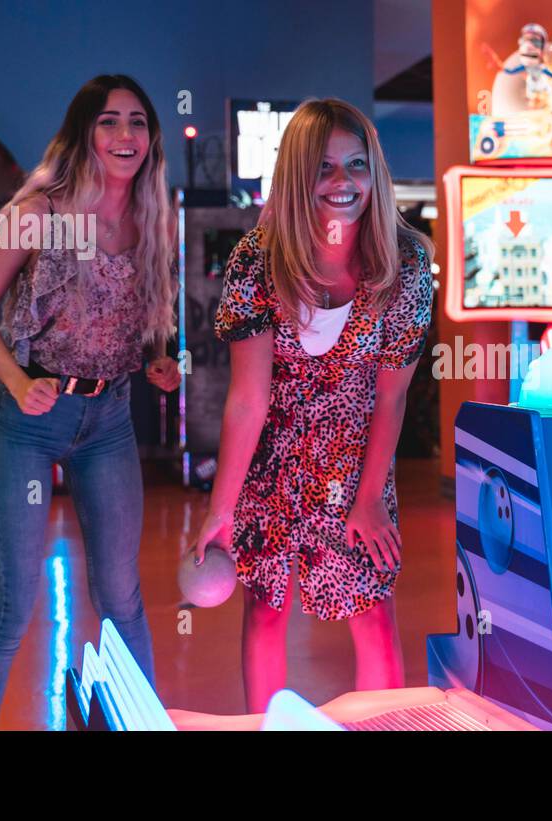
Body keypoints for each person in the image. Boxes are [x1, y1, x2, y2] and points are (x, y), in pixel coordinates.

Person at [186, 98, 433, 713]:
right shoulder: (258, 259)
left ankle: (385, 728)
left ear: (375, 172)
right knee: (265, 609)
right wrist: (221, 508)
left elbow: (392, 392)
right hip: (273, 460)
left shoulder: (405, 261)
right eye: (323, 167)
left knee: (372, 609)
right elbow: (249, 398)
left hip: (356, 461)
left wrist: (371, 495)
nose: (342, 182)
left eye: (356, 164)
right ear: (297, 175)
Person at [0, 75, 181, 730]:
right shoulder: (40, 212)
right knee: (8, 610)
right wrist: (19, 383)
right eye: (109, 121)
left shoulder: (152, 217)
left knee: (123, 600)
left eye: (138, 122)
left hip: (107, 420)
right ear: (85, 132)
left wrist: (156, 359)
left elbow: (134, 316)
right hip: (30, 419)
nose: (125, 135)